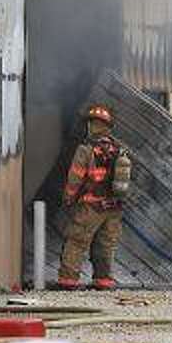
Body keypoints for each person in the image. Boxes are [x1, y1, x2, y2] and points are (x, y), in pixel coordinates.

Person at [60, 104, 130, 290]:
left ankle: (68, 279)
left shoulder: (86, 149)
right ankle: (103, 280)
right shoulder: (119, 149)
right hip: (114, 208)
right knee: (106, 244)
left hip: (91, 206)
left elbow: (75, 177)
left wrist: (68, 198)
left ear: (92, 125)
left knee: (77, 240)